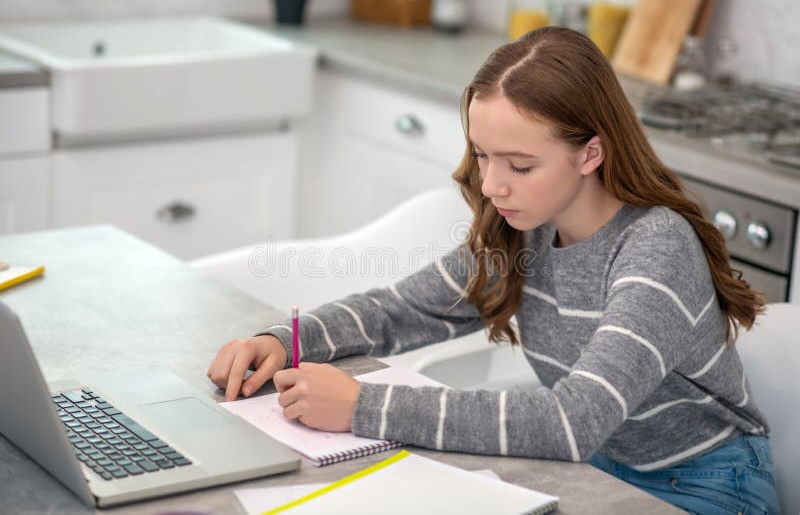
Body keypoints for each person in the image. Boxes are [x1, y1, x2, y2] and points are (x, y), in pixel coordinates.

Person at [207, 27, 780, 515]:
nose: (491, 184)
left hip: (707, 490)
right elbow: (407, 308)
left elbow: (570, 422)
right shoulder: (528, 225)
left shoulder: (656, 247)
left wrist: (362, 406)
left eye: (521, 164)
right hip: (602, 468)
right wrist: (288, 342)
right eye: (483, 155)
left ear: (591, 154)